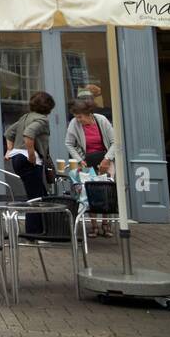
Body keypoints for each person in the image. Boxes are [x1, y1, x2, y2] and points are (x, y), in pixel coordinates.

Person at [65, 98, 117, 237]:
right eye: (76, 117)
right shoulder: (74, 123)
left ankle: (106, 225)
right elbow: (69, 143)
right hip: (88, 161)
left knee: (107, 191)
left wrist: (107, 159)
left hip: (105, 158)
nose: (78, 120)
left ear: (88, 113)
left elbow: (115, 142)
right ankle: (94, 226)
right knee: (90, 191)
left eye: (80, 117)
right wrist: (80, 160)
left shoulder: (102, 120)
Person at [4, 91, 55, 233]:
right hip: (29, 161)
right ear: (49, 107)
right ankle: (34, 232)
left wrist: (10, 150)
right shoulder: (42, 120)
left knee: (38, 193)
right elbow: (28, 134)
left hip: (17, 159)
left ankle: (42, 229)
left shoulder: (25, 117)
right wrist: (31, 155)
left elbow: (9, 132)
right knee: (36, 198)